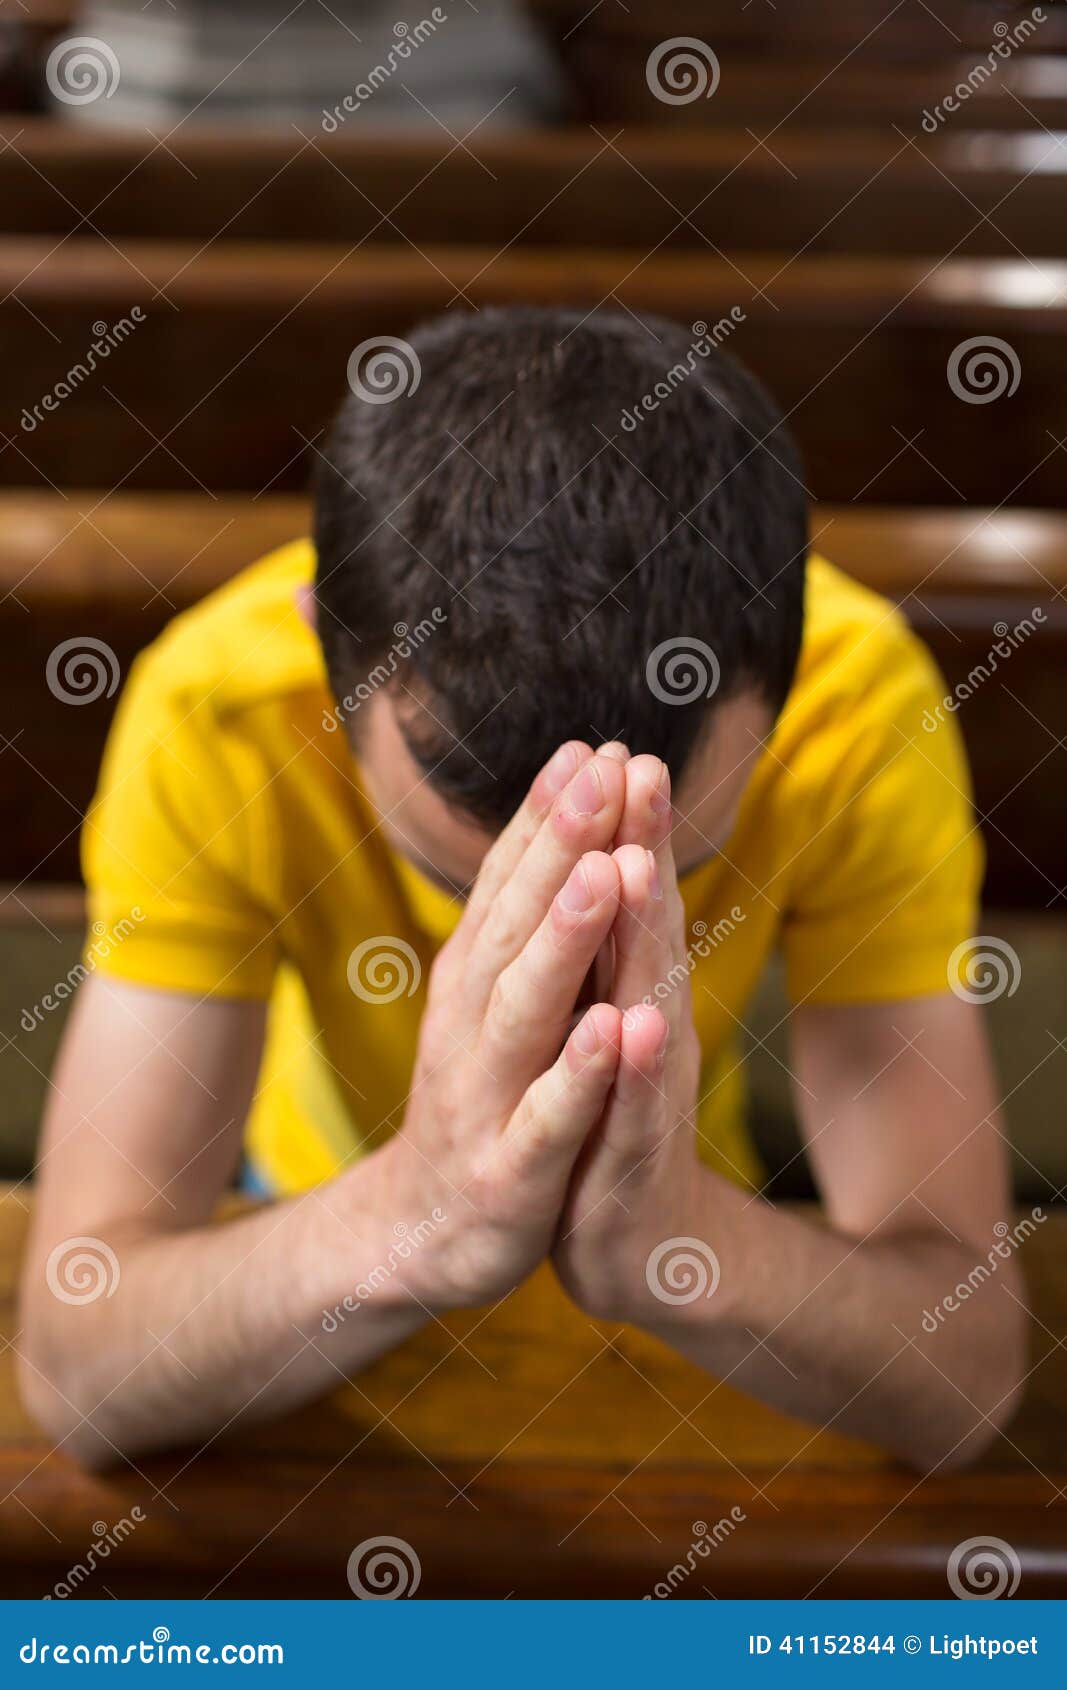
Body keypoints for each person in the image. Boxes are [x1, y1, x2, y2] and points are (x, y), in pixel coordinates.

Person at [19, 307, 1025, 1472]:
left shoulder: (856, 704)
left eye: (663, 876)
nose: (550, 1005)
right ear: (322, 651)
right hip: (304, 1205)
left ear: (793, 675)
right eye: (455, 885)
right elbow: (77, 1368)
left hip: (697, 1205)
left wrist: (679, 1240)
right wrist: (414, 1216)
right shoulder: (220, 707)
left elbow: (967, 1373)